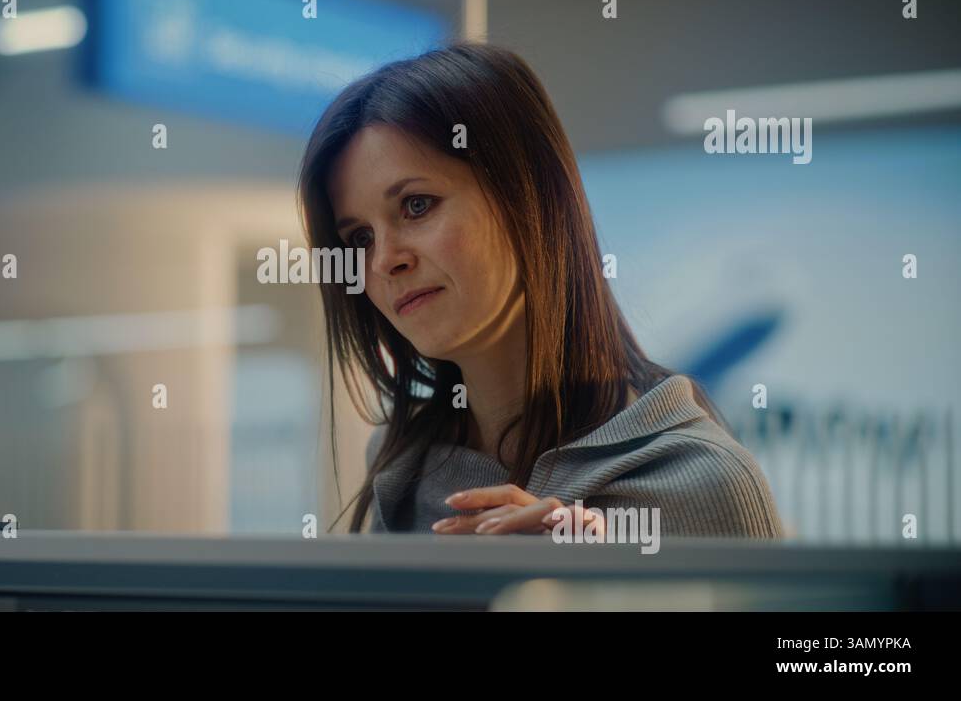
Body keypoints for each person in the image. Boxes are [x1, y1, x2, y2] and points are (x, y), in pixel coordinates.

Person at [297, 42, 784, 537]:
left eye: (417, 205)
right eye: (359, 238)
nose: (383, 261)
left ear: (528, 199)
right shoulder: (401, 468)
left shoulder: (702, 483)